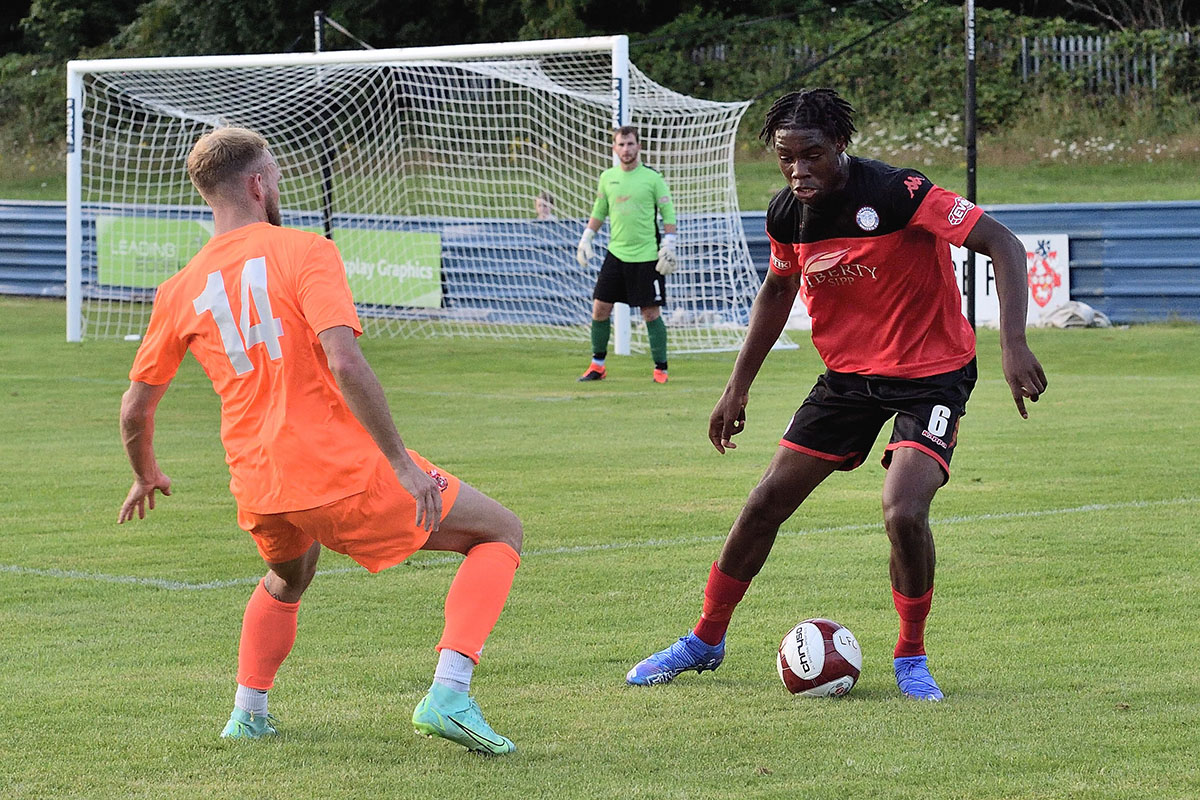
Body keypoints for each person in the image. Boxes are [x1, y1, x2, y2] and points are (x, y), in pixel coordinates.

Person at [625, 89, 1047, 700]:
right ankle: (704, 640)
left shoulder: (899, 194)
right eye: (786, 159)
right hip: (849, 381)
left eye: (812, 156)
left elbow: (1002, 244)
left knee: (904, 509)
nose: (799, 171)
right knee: (765, 501)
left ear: (841, 147)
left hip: (932, 375)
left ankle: (910, 656)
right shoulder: (786, 215)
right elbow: (776, 293)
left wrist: (1012, 343)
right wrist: (735, 388)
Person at [117, 127, 523, 754]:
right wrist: (401, 464)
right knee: (499, 531)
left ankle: (248, 713)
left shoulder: (179, 289)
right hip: (337, 469)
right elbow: (346, 362)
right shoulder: (305, 250)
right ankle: (449, 694)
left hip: (259, 483)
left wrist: (145, 473)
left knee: (289, 575)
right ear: (257, 184)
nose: (277, 186)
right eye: (274, 176)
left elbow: (136, 410)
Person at [575, 126, 678, 384]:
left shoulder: (653, 178)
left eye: (630, 144)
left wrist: (669, 243)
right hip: (616, 254)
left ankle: (660, 369)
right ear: (614, 148)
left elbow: (669, 214)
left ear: (638, 146)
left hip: (646, 256)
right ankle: (597, 365)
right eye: (621, 145)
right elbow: (600, 211)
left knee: (650, 313)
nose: (626, 149)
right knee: (600, 308)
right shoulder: (607, 177)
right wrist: (586, 238)